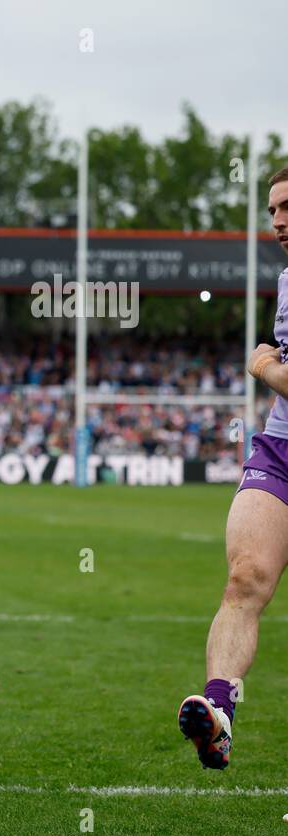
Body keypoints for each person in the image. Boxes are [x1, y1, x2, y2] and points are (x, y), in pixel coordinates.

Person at [178, 164, 288, 770]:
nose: (277, 221)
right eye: (272, 209)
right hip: (280, 447)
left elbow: (280, 370)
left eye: (287, 207)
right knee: (245, 578)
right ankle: (218, 715)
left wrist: (264, 369)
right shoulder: (287, 280)